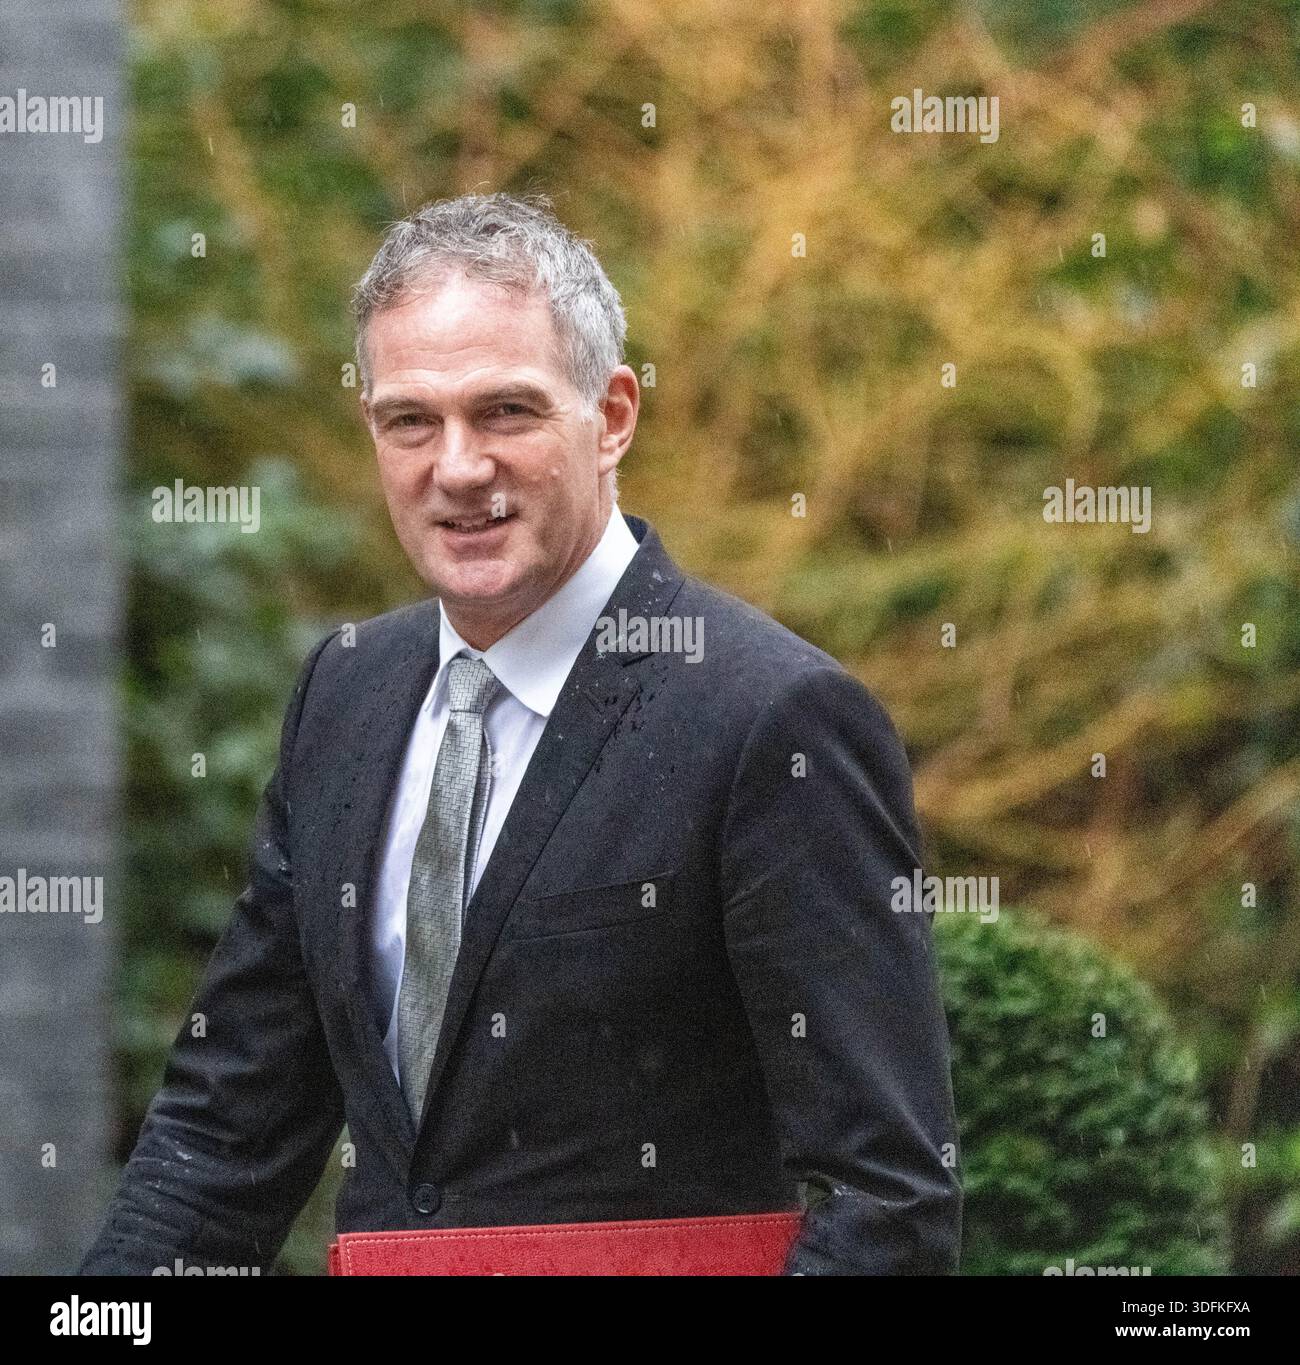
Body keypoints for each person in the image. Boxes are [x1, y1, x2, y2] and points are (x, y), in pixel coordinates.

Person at [80, 191, 961, 1275]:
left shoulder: (769, 719)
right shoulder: (345, 695)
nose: (456, 467)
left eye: (505, 412)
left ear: (615, 415)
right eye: (412, 420)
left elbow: (888, 1200)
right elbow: (226, 1132)